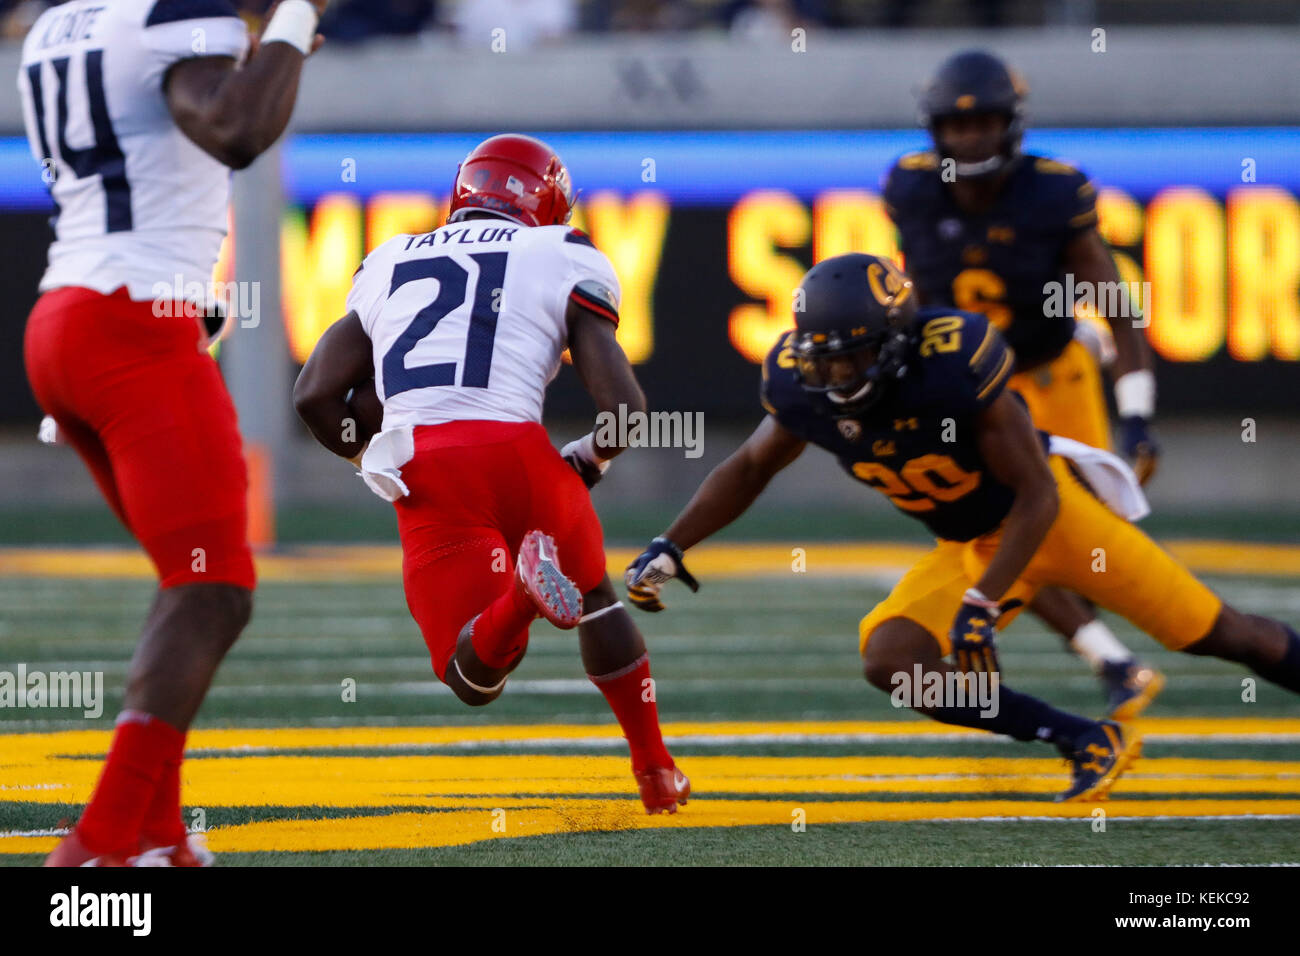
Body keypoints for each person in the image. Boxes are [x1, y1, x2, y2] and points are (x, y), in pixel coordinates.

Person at [626, 253, 1300, 802]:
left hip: (1054, 524)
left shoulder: (951, 367)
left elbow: (1037, 492)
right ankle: (1086, 739)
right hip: (971, 545)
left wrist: (982, 603)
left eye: (850, 359)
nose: (833, 375)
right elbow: (748, 468)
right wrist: (672, 543)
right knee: (893, 661)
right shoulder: (805, 390)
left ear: (892, 344)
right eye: (821, 358)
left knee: (1223, 634)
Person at [294, 134, 690, 814]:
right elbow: (626, 411)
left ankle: (520, 602)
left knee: (472, 679)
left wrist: (371, 457)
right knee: (597, 593)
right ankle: (656, 771)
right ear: (551, 203)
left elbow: (313, 395)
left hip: (426, 464)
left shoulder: (389, 257)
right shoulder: (564, 253)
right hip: (524, 454)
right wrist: (586, 462)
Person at [22, 0, 329, 866]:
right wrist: (291, 21)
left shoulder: (57, 21)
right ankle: (101, 839)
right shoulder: (170, 14)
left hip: (67, 318)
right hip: (129, 326)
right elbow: (235, 128)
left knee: (187, 580)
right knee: (213, 588)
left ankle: (160, 834)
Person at [883, 49, 1164, 719]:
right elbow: (911, 289)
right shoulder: (913, 190)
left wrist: (1137, 418)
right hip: (975, 392)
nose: (969, 137)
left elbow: (1120, 315)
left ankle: (1127, 650)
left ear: (1011, 124)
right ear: (936, 130)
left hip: (1053, 371)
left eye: (984, 123)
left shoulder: (1052, 194)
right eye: (956, 125)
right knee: (1006, 524)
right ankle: (1114, 661)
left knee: (1094, 539)